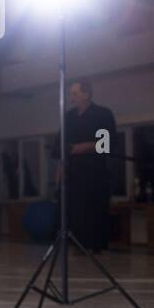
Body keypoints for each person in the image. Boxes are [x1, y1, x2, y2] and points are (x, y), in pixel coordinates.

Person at [61, 80, 117, 251]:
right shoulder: (69, 117)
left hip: (95, 173)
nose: (71, 98)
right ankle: (78, 244)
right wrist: (60, 167)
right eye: (71, 94)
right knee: (76, 210)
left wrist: (86, 146)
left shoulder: (102, 114)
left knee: (94, 210)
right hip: (74, 173)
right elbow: (61, 145)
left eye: (75, 94)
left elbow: (108, 143)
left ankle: (96, 245)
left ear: (86, 94)